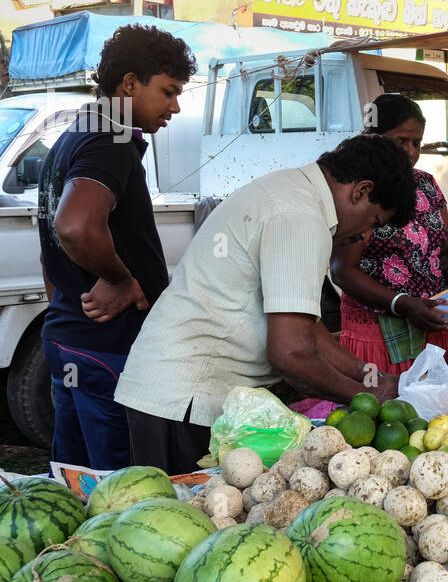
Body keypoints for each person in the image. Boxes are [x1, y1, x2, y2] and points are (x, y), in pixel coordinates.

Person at [114, 135, 417, 474]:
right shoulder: (300, 216)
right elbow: (292, 353)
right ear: (360, 190)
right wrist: (367, 399)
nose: (366, 236)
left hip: (181, 391)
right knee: (177, 517)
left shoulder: (295, 193)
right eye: (373, 221)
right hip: (184, 398)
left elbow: (305, 327)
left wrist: (369, 375)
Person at [36, 25, 196, 470]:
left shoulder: (73, 134)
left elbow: (50, 242)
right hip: (107, 350)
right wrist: (121, 280)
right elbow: (72, 227)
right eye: (167, 91)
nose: (175, 106)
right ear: (129, 84)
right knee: (122, 491)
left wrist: (66, 305)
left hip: (70, 340)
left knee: (75, 479)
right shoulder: (111, 139)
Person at [331, 94, 448, 374]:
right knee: (388, 410)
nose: (410, 151)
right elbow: (342, 270)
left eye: (417, 143)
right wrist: (402, 304)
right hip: (377, 334)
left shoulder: (426, 184)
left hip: (430, 322)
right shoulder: (360, 191)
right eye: (401, 141)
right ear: (374, 138)